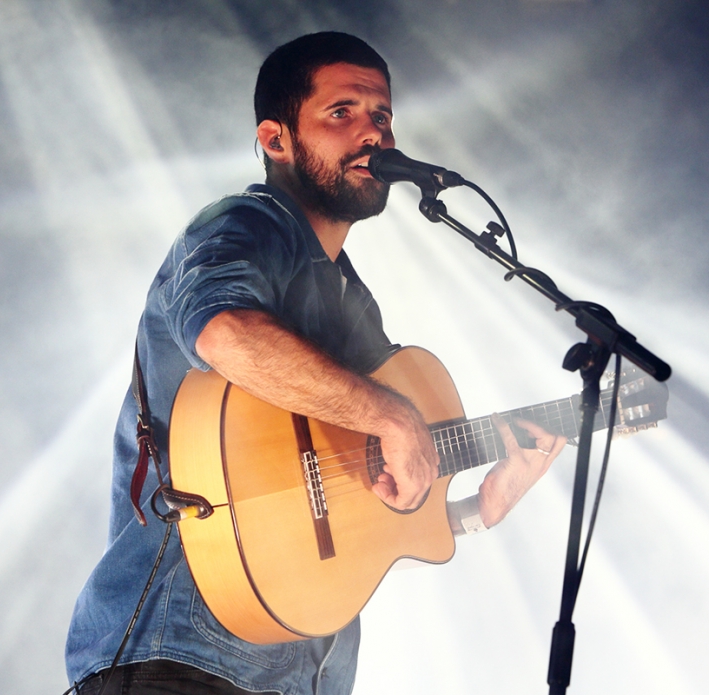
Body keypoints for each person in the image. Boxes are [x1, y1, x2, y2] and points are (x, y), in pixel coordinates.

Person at [66, 31, 564, 695]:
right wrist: (391, 416)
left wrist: (478, 509)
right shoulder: (244, 224)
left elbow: (351, 522)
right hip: (179, 655)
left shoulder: (352, 302)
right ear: (276, 139)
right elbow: (225, 333)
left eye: (382, 115)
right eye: (342, 112)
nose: (373, 133)